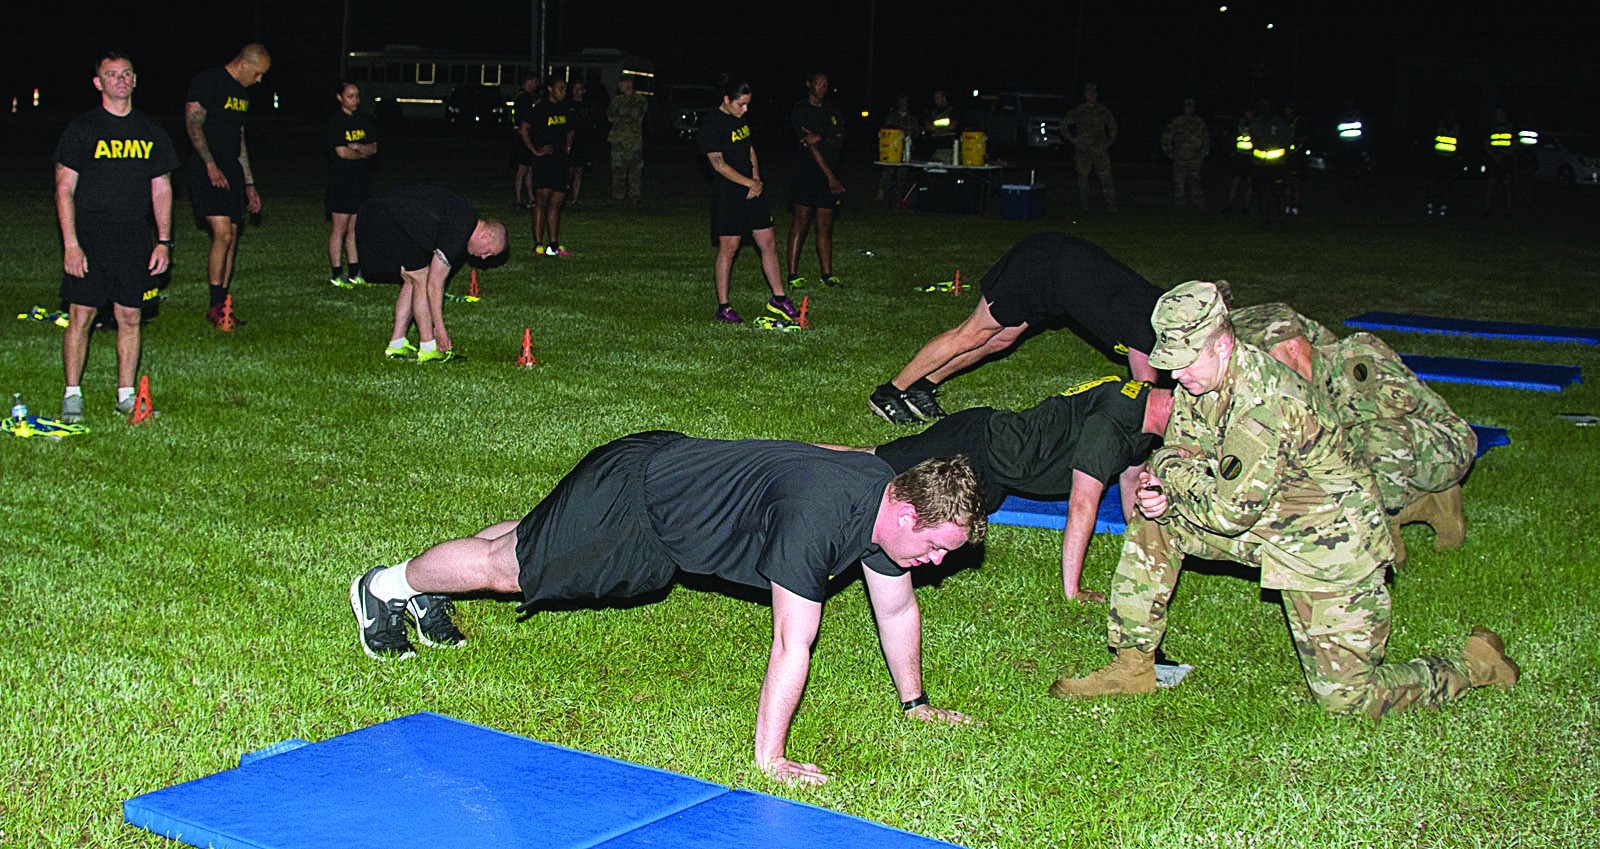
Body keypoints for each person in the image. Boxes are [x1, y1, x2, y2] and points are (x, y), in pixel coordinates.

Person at [348, 434, 986, 785]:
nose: (933, 563)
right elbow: (794, 642)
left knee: (532, 543)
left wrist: (916, 705)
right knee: (513, 570)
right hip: (635, 495)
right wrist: (770, 758)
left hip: (668, 508)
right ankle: (386, 586)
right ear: (907, 511)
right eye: (934, 547)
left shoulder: (884, 502)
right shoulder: (819, 519)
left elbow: (897, 611)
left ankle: (434, 581)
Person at [1050, 281, 1520, 719]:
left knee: (1348, 699)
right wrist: (1164, 488)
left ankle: (1476, 665)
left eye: (1185, 361)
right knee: (1156, 520)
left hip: (1331, 544)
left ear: (1223, 343)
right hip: (1267, 517)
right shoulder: (1201, 379)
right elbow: (1179, 450)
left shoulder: (1266, 404)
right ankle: (1132, 666)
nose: (1175, 373)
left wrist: (1170, 481)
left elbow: (1226, 513)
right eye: (1169, 360)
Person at [855, 377, 1172, 602]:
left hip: (998, 475)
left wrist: (1141, 542)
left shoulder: (1142, 406)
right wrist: (1072, 590)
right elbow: (1082, 505)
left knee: (976, 509)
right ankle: (809, 456)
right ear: (1173, 405)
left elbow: (1131, 480)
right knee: (876, 464)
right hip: (974, 441)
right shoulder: (1113, 425)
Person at [1231, 303, 1477, 552]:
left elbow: (1388, 434)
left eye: (1264, 359)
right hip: (1384, 449)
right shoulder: (1288, 385)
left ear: (1292, 347)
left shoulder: (1354, 360)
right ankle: (1418, 503)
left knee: (1373, 439)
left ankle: (1390, 523)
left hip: (1444, 445)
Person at [867, 233, 1162, 424]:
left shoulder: (1163, 318)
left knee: (1001, 340)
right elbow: (1144, 393)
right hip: (1042, 264)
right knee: (973, 333)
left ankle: (924, 385)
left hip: (1058, 284)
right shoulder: (1147, 328)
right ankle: (890, 392)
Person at [53, 50, 179, 423]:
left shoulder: (151, 132)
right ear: (99, 83)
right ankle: (72, 394)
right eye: (112, 75)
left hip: (134, 238)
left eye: (127, 74)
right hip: (91, 235)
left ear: (135, 80)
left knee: (130, 315)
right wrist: (71, 244)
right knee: (82, 314)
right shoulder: (82, 130)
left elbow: (162, 190)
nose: (121, 80)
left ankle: (126, 395)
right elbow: (63, 190)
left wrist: (163, 240)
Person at [354, 186, 507, 363]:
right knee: (422, 277)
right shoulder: (460, 229)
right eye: (489, 252)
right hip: (382, 219)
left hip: (375, 214)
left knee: (413, 278)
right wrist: (439, 329)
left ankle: (397, 343)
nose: (484, 258)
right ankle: (428, 347)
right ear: (486, 235)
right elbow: (434, 284)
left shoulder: (463, 219)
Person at [697, 78, 801, 327]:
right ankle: (723, 306)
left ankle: (779, 298)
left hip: (752, 190)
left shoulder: (740, 119)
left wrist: (756, 178)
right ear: (726, 100)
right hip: (728, 194)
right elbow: (718, 164)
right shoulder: (711, 125)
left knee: (768, 241)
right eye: (741, 105)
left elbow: (749, 149)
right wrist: (747, 183)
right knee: (729, 248)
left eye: (747, 105)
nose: (745, 110)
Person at [185, 43, 269, 329]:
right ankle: (214, 305)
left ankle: (223, 304)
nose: (259, 80)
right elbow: (193, 124)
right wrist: (209, 164)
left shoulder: (242, 94)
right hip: (206, 166)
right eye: (257, 74)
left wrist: (249, 183)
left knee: (232, 235)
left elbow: (240, 139)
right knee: (221, 233)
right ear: (244, 64)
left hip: (232, 170)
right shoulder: (208, 82)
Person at [785, 70, 846, 289]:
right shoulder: (801, 110)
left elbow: (839, 139)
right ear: (809, 84)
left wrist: (821, 136)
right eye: (819, 83)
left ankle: (827, 274)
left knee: (825, 224)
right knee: (801, 221)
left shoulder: (833, 110)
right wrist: (830, 176)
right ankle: (792, 274)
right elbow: (810, 145)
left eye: (825, 84)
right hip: (807, 173)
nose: (823, 87)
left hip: (831, 171)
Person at [325, 81, 378, 289]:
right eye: (350, 96)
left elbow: (373, 147)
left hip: (361, 181)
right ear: (340, 98)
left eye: (356, 96)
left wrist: (358, 148)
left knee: (355, 229)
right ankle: (337, 273)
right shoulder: (336, 122)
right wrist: (359, 152)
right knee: (340, 228)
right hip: (341, 181)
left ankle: (355, 272)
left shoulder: (364, 121)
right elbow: (341, 152)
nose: (354, 100)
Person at [521, 78, 573, 257]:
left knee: (556, 203)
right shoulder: (540, 109)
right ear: (551, 89)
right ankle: (538, 244)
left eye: (565, 89)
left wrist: (567, 147)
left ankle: (554, 244)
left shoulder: (565, 108)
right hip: (544, 160)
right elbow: (524, 128)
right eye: (561, 88)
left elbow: (570, 129)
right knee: (541, 201)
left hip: (560, 160)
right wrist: (535, 151)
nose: (564, 92)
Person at [1061, 83, 1117, 212]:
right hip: (1083, 150)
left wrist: (1109, 142)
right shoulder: (1079, 111)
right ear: (1085, 95)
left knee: (1105, 177)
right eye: (1089, 94)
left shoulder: (1103, 111)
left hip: (1100, 150)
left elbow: (1112, 126)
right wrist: (1072, 139)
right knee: (1083, 178)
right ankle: (1085, 205)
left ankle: (1111, 205)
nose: (1092, 96)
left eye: (1094, 94)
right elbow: (1063, 124)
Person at [1248, 98, 1291, 233]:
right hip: (1260, 165)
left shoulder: (1280, 123)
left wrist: (1282, 158)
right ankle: (1265, 220)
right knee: (1263, 193)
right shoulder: (1256, 123)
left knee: (1278, 193)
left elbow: (1286, 142)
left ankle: (1282, 220)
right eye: (1262, 106)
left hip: (1277, 165)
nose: (1264, 108)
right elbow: (1253, 141)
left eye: (1267, 105)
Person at [606, 74, 648, 207]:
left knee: (635, 169)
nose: (622, 86)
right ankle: (618, 196)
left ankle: (634, 197)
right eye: (621, 84)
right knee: (617, 169)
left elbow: (636, 115)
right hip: (617, 140)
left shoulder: (640, 100)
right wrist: (623, 116)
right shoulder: (616, 100)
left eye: (625, 83)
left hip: (633, 140)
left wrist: (621, 115)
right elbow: (610, 116)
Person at [1160, 98, 1208, 209]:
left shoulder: (1199, 122)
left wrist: (1202, 154)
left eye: (1191, 106)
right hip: (1180, 157)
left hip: (1195, 158)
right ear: (1184, 108)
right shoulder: (1177, 122)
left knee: (1195, 180)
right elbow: (1166, 138)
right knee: (1179, 181)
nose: (1189, 109)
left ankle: (1198, 203)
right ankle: (1179, 203)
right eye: (1187, 106)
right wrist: (1171, 153)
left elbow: (1206, 139)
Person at [876, 94, 918, 202]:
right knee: (888, 171)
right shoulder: (891, 117)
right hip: (892, 149)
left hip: (906, 149)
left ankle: (900, 196)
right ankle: (882, 192)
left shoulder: (912, 118)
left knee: (903, 174)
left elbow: (916, 133)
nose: (903, 104)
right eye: (901, 102)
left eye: (905, 102)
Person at [510, 71, 540, 210]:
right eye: (535, 81)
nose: (537, 84)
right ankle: (518, 199)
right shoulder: (524, 98)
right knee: (522, 168)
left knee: (530, 168)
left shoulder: (526, 97)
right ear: (529, 81)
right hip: (522, 137)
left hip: (526, 136)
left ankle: (531, 198)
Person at [565, 81, 598, 206]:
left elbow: (592, 123)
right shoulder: (567, 104)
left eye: (579, 89)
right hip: (570, 141)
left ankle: (575, 198)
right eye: (575, 88)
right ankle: (565, 196)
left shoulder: (587, 105)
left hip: (582, 141)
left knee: (579, 170)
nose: (577, 91)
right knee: (568, 170)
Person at [1425, 110, 1462, 216]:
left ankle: (1444, 206)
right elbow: (1430, 142)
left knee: (1446, 185)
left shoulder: (1457, 128)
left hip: (1450, 161)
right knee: (1433, 184)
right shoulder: (1438, 126)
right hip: (1437, 160)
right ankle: (1430, 205)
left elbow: (1459, 145)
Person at [1219, 106, 1254, 214]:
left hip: (1251, 158)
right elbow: (1230, 137)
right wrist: (1231, 151)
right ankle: (1229, 205)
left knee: (1250, 183)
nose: (1248, 115)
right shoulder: (1239, 124)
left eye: (1250, 113)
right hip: (1240, 157)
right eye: (1247, 112)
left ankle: (1246, 207)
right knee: (1236, 182)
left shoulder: (1257, 124)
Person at [1483, 106, 1515, 217]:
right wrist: (1493, 155)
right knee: (1490, 184)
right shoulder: (1491, 127)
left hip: (1506, 159)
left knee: (1507, 184)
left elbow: (1515, 144)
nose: (1498, 115)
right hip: (1493, 159)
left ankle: (1509, 210)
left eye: (1500, 113)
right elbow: (1486, 143)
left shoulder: (1511, 127)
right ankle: (1487, 209)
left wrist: (1504, 154)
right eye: (1497, 113)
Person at [922, 89, 958, 161]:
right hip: (934, 146)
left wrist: (936, 129)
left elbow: (952, 126)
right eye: (935, 98)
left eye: (938, 98)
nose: (936, 100)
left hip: (947, 146)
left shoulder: (952, 111)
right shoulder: (933, 112)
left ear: (944, 98)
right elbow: (927, 126)